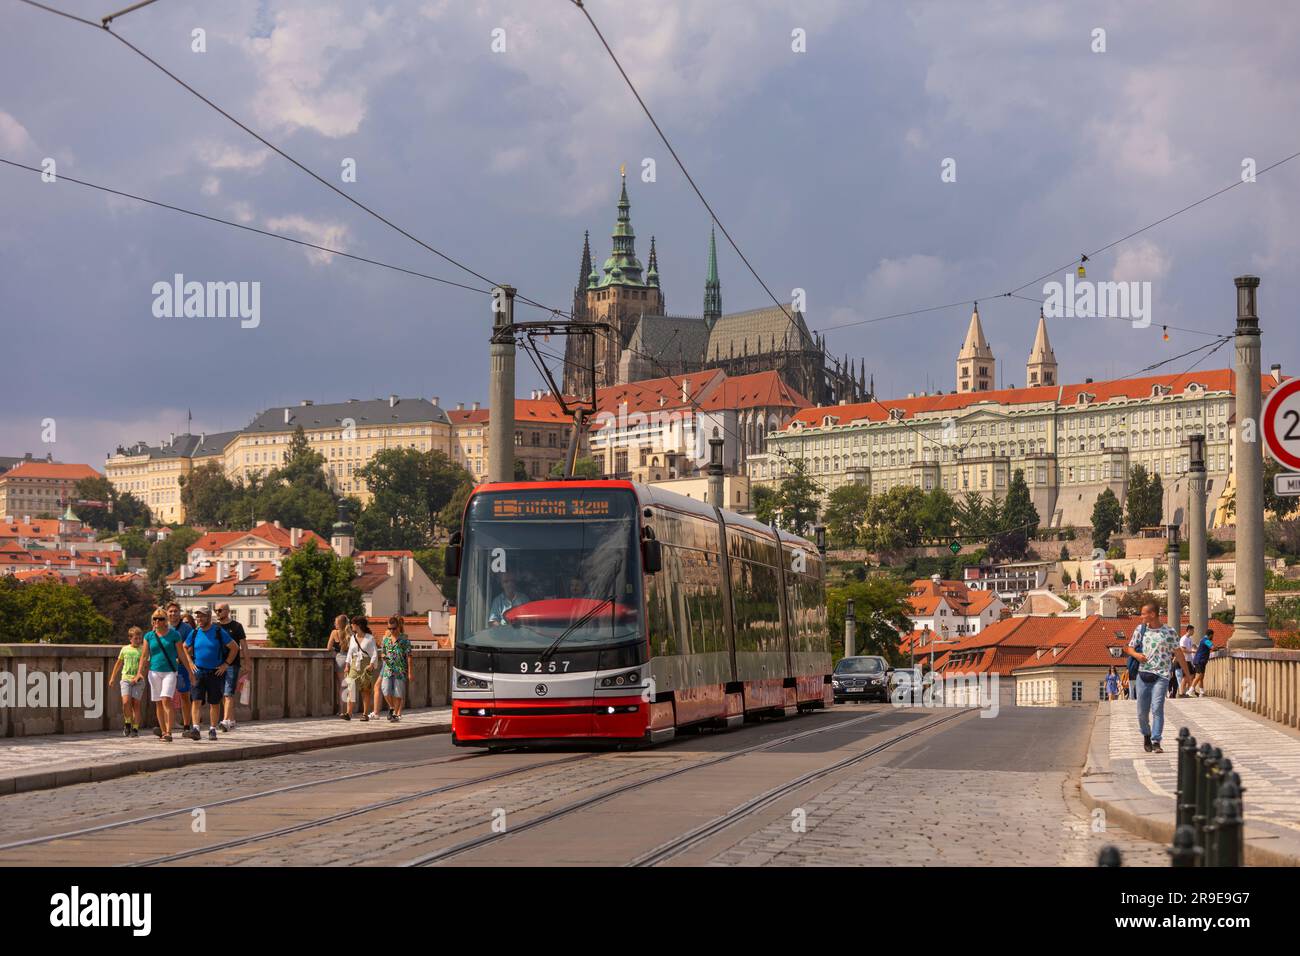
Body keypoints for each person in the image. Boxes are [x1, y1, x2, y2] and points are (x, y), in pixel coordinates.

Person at [1123, 602, 1190, 754]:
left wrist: (1187, 673)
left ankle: (1156, 740)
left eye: (1143, 613)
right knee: (1141, 712)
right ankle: (1146, 734)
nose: (1141, 616)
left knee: (1157, 707)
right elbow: (1129, 648)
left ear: (1152, 614)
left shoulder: (1169, 631)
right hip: (1143, 674)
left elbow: (1178, 653)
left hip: (1162, 675)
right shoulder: (1141, 629)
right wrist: (1137, 655)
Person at [184, 606, 239, 741]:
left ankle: (212, 729)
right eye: (197, 616)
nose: (199, 619)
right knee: (196, 700)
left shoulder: (218, 631)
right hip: (199, 671)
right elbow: (184, 647)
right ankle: (196, 728)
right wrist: (190, 663)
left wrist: (226, 664)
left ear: (208, 617)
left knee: (214, 702)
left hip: (215, 671)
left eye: (202, 616)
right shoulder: (195, 632)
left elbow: (235, 648)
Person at [143, 607, 191, 742]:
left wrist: (189, 671)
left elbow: (181, 654)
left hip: (170, 671)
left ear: (166, 621)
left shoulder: (174, 635)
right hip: (154, 672)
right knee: (158, 702)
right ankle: (163, 731)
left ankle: (169, 732)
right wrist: (139, 672)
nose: (157, 621)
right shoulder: (149, 636)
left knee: (166, 699)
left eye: (161, 619)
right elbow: (144, 655)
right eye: (155, 619)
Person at [108, 627, 148, 737]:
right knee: (126, 702)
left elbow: (146, 665)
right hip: (126, 678)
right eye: (135, 638)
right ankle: (127, 723)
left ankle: (135, 728)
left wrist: (142, 676)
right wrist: (112, 677)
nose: (138, 640)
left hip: (138, 680)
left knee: (136, 703)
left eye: (140, 638)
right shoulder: (125, 649)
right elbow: (118, 664)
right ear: (130, 638)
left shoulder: (143, 650)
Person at [214, 603, 247, 732]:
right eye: (216, 610)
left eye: (220, 610)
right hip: (217, 664)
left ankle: (226, 721)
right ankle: (232, 721)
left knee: (228, 693)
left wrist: (247, 663)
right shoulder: (215, 627)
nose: (217, 613)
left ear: (227, 611)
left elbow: (243, 645)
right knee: (224, 694)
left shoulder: (236, 626)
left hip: (232, 664)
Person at [341, 617, 378, 721]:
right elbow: (349, 653)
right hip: (354, 664)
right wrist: (347, 665)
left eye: (353, 624)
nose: (351, 626)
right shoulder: (353, 638)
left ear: (358, 625)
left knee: (365, 690)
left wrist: (371, 665)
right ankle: (349, 713)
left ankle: (365, 714)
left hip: (365, 664)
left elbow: (374, 653)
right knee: (350, 688)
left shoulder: (369, 638)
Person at [167, 602, 195, 735]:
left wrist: (184, 657)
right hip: (166, 667)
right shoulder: (163, 627)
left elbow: (192, 646)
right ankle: (167, 725)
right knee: (166, 696)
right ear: (167, 613)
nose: (173, 614)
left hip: (182, 666)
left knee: (184, 695)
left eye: (175, 611)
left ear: (179, 613)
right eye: (171, 611)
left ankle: (186, 725)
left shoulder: (187, 628)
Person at [379, 615, 412, 721]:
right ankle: (392, 707)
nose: (391, 630)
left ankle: (394, 715)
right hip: (388, 669)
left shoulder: (404, 640)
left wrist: (410, 672)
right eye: (389, 628)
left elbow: (409, 656)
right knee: (385, 690)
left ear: (398, 627)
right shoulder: (386, 640)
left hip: (400, 669)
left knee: (398, 693)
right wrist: (383, 656)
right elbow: (382, 653)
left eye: (393, 628)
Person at [326, 614, 351, 714]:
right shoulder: (349, 633)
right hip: (349, 661)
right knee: (348, 686)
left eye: (336, 622)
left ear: (339, 623)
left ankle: (341, 710)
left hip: (339, 660)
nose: (334, 624)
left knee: (341, 686)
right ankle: (349, 710)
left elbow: (328, 647)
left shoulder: (334, 633)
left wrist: (334, 649)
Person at [1187, 628, 1214, 697]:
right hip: (1200, 661)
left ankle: (1202, 692)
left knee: (1201, 677)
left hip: (1199, 660)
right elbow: (1212, 647)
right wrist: (1217, 648)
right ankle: (1190, 690)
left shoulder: (1203, 640)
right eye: (1212, 636)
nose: (1213, 637)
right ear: (1210, 635)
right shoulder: (1205, 640)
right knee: (1199, 676)